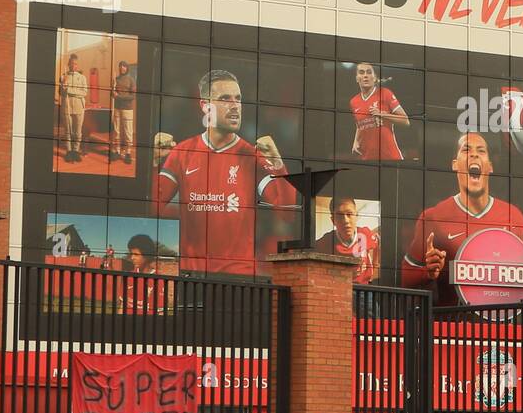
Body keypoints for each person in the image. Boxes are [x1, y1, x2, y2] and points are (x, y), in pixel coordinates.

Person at [154, 69, 298, 274]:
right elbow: (153, 209)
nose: (235, 106)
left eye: (238, 99)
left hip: (238, 277)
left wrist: (278, 165)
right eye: (225, 99)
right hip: (191, 275)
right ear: (205, 106)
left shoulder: (251, 155)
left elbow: (287, 214)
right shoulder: (182, 152)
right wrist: (152, 164)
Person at [400, 132, 523, 306]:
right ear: (455, 164)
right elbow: (405, 277)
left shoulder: (513, 217)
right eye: (466, 149)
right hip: (453, 326)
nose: (474, 154)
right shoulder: (433, 217)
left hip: (501, 326)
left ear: (490, 166)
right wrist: (428, 271)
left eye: (481, 150)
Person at [350, 62, 408, 161]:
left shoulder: (385, 93)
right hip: (368, 157)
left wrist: (381, 114)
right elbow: (359, 124)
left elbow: (405, 121)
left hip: (391, 157)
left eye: (369, 72)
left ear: (375, 77)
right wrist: (355, 141)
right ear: (356, 78)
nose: (365, 76)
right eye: (361, 72)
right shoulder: (353, 101)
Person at [315, 196, 380, 283]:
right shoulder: (326, 241)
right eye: (339, 216)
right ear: (333, 220)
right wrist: (344, 273)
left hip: (364, 288)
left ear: (356, 216)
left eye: (349, 214)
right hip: (339, 287)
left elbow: (378, 242)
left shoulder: (365, 234)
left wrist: (373, 268)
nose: (345, 220)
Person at [59, 53, 88, 163]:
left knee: (78, 132)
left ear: (77, 65)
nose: (73, 66)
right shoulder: (63, 77)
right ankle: (69, 152)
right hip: (67, 107)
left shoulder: (82, 77)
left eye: (75, 64)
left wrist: (69, 90)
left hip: (79, 107)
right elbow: (61, 93)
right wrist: (63, 86)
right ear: (69, 64)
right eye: (72, 64)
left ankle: (76, 151)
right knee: (68, 131)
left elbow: (84, 92)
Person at [109, 59, 136, 164]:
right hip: (117, 108)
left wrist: (119, 97)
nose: (122, 68)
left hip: (127, 109)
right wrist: (113, 89)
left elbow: (132, 96)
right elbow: (112, 95)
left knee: (128, 131)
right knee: (116, 131)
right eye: (120, 66)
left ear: (127, 68)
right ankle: (117, 151)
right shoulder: (116, 79)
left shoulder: (131, 80)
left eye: (124, 66)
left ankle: (128, 152)